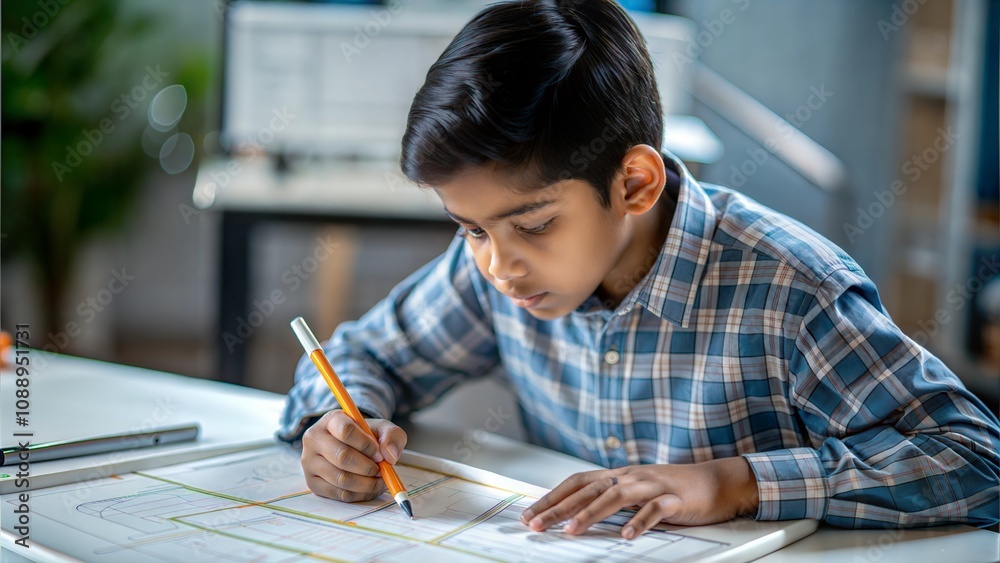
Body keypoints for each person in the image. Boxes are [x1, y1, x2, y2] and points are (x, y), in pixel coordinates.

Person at [278, 0, 1000, 537]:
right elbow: (360, 355)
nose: (497, 265)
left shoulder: (790, 289)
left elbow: (974, 456)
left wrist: (734, 483)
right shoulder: (497, 269)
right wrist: (337, 425)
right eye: (469, 228)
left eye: (534, 225)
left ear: (634, 184)